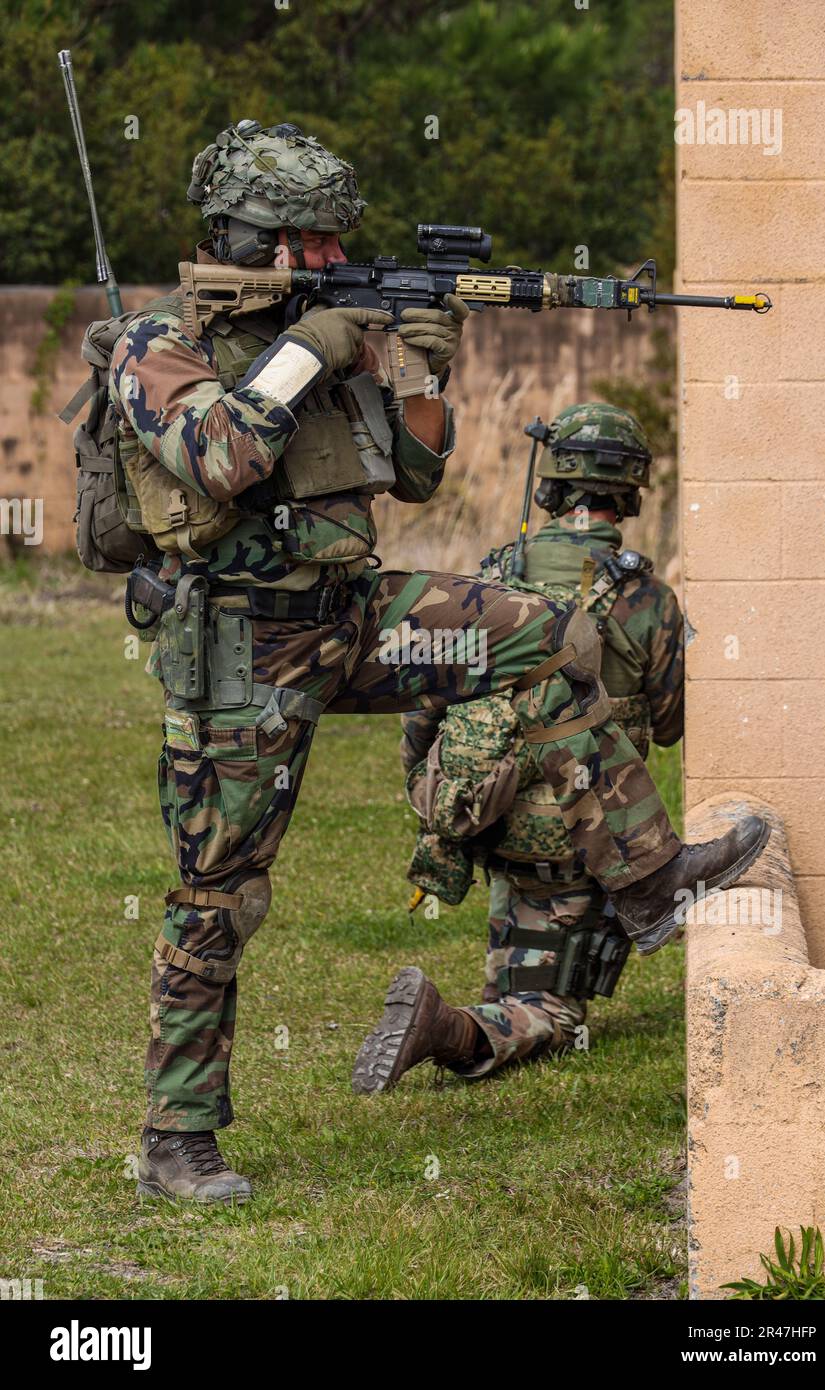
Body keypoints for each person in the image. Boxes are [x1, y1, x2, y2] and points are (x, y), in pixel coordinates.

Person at [110, 121, 767, 1201]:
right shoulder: (157, 343)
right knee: (217, 898)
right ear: (258, 239)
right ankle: (176, 1140)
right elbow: (217, 456)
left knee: (548, 634)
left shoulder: (319, 333)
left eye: (336, 247)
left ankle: (647, 885)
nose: (330, 263)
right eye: (314, 245)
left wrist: (419, 361)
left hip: (354, 614)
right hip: (241, 647)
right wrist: (315, 345)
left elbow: (413, 473)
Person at [354, 402, 688, 1090]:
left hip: (492, 811)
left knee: (526, 961)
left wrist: (435, 787)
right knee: (553, 1013)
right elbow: (672, 720)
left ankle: (491, 999)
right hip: (589, 829)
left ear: (554, 484)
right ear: (628, 492)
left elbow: (429, 699)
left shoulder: (493, 577)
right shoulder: (650, 599)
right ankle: (444, 1026)